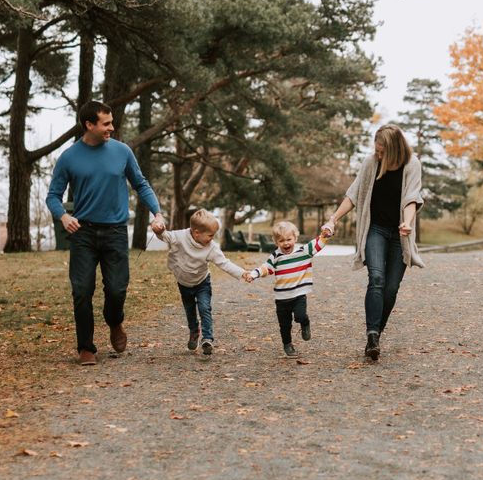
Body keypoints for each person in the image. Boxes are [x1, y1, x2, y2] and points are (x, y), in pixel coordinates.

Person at [46, 100, 165, 366]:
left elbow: (141, 184)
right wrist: (64, 216)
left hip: (115, 232)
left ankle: (115, 322)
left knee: (116, 289)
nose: (112, 127)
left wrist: (157, 213)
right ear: (89, 125)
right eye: (106, 123)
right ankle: (86, 348)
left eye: (112, 122)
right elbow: (53, 196)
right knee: (81, 290)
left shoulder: (122, 152)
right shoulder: (69, 157)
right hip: (83, 234)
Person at [321, 123, 424, 361]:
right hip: (375, 229)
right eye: (376, 150)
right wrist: (333, 219)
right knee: (376, 278)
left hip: (400, 234)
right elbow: (354, 194)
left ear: (395, 150)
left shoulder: (412, 165)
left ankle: (377, 330)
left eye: (382, 152)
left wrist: (407, 222)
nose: (377, 155)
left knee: (391, 288)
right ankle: (372, 335)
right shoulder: (371, 163)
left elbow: (412, 197)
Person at [151, 209, 250, 356]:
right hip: (183, 283)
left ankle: (207, 338)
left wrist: (242, 273)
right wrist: (159, 230)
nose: (213, 238)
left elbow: (224, 263)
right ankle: (194, 332)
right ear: (196, 233)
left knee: (204, 308)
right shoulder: (180, 237)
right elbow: (165, 236)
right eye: (210, 235)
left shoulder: (212, 248)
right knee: (190, 311)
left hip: (202, 282)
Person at [244, 221, 329, 358]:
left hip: (299, 294)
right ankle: (287, 345)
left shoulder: (304, 251)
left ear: (295, 238)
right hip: (281, 298)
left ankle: (305, 322)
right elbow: (266, 268)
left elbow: (318, 244)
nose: (286, 243)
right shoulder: (276, 256)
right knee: (284, 325)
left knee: (300, 316)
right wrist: (254, 274)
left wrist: (325, 235)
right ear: (276, 242)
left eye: (289, 239)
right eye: (281, 241)